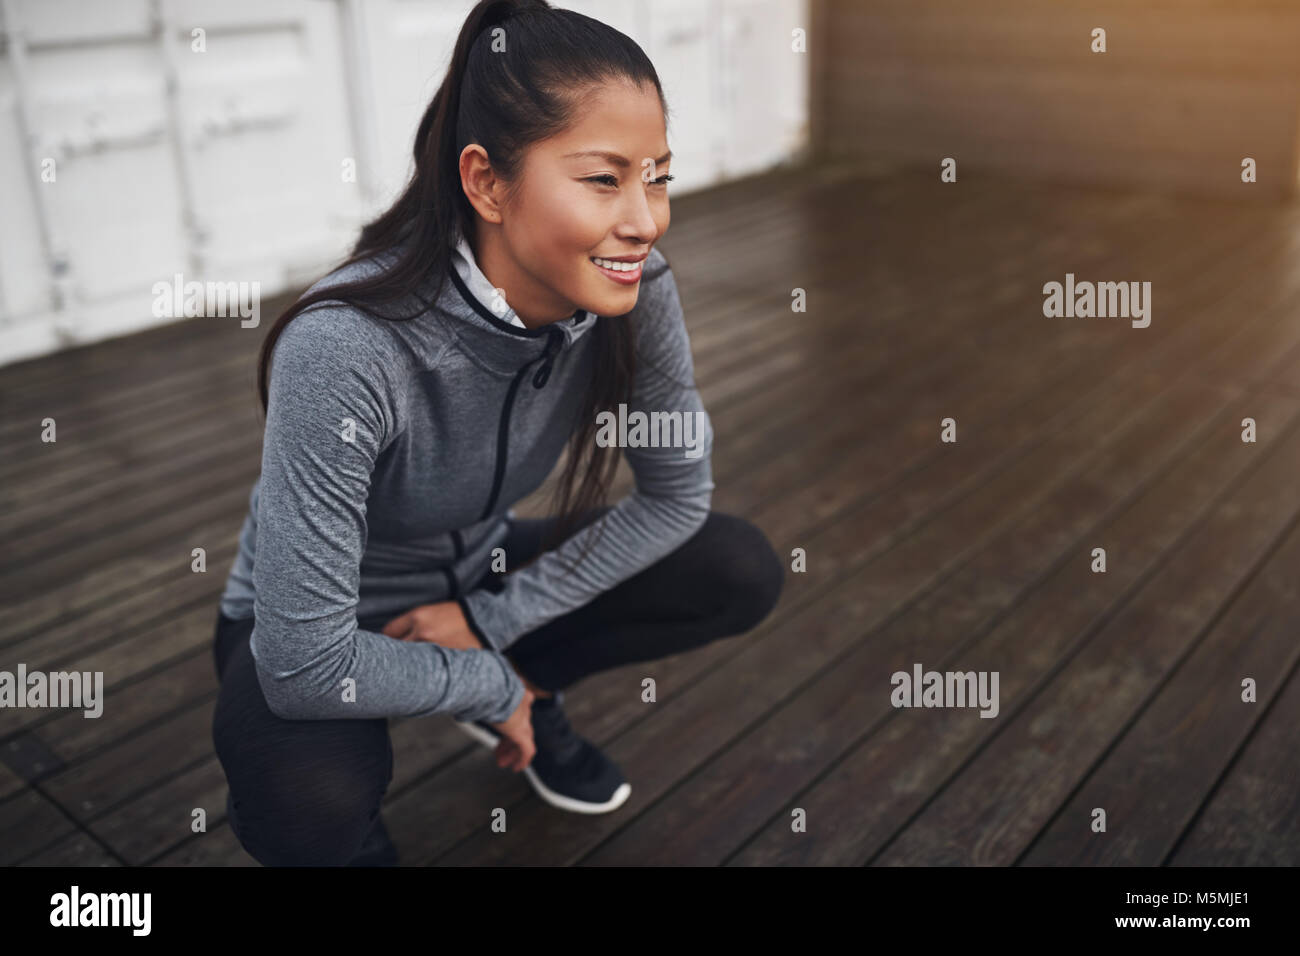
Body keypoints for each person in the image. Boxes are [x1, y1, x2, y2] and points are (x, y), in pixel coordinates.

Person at [210, 0, 784, 867]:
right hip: (312, 628)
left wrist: (488, 620)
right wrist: (487, 677)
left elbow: (677, 499)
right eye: (604, 179)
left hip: (481, 572)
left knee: (734, 566)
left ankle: (522, 684)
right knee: (313, 801)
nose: (645, 219)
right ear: (486, 182)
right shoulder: (347, 346)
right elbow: (301, 661)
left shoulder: (639, 288)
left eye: (657, 175)